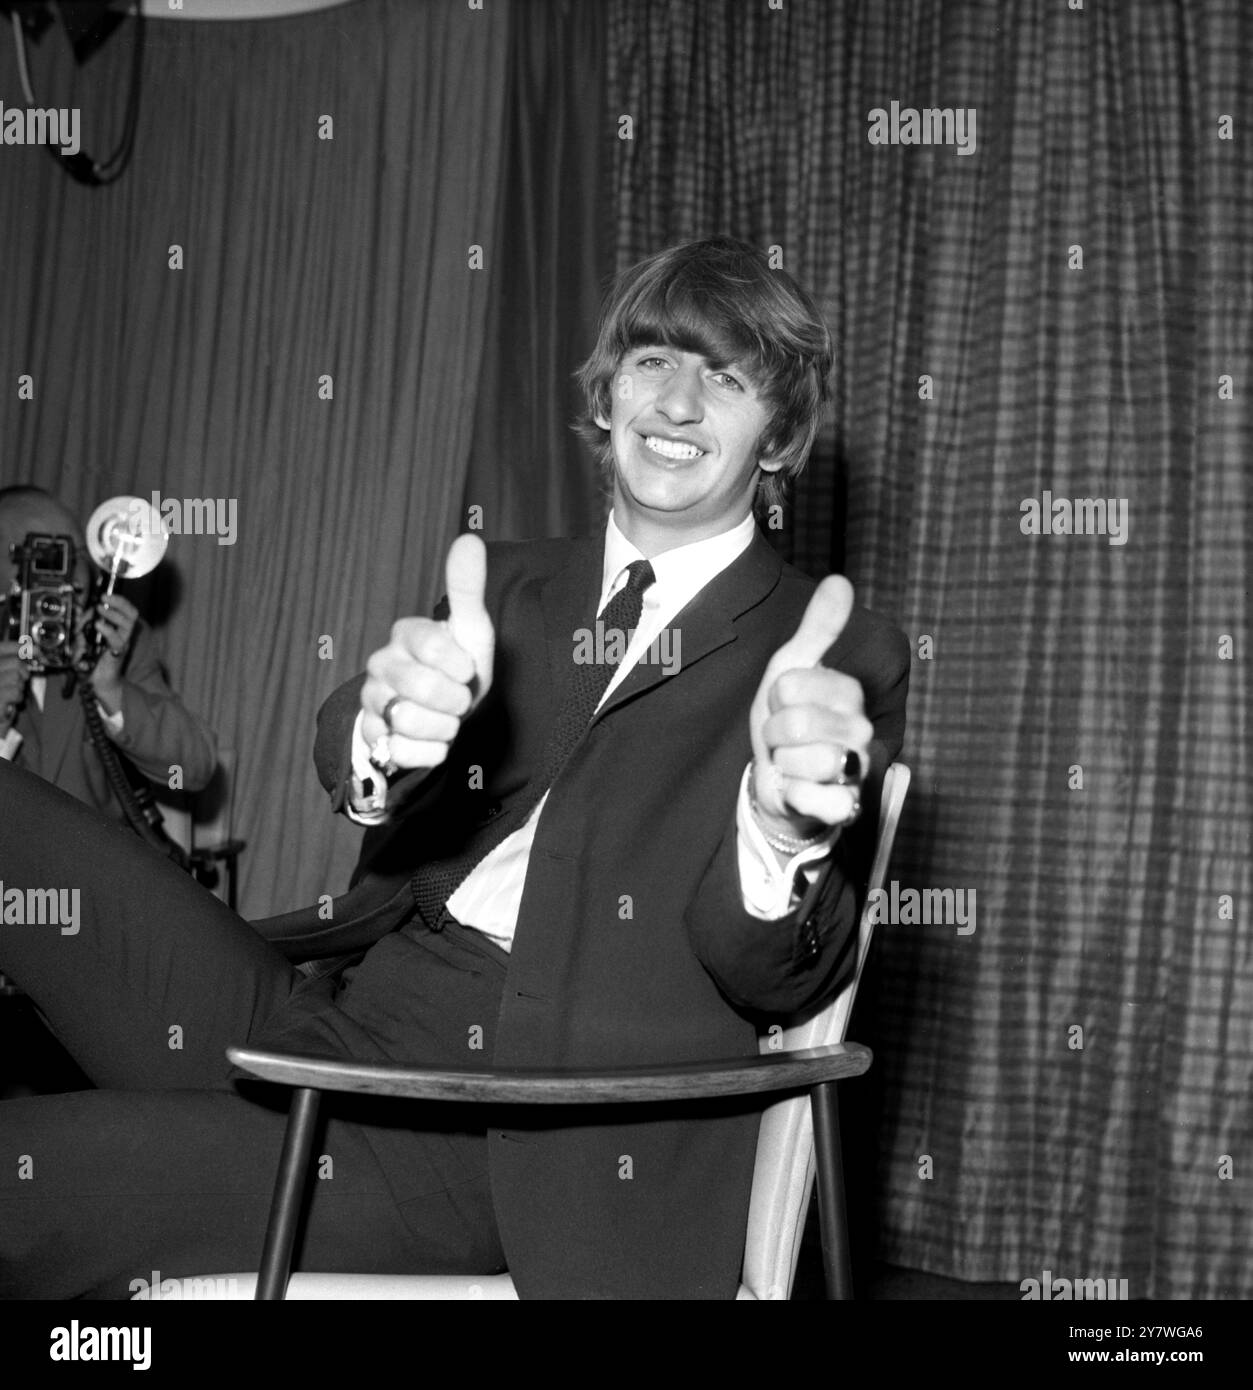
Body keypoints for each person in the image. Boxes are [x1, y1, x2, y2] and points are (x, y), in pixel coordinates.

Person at [0, 237, 909, 1299]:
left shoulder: (824, 645)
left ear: (779, 434)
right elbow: (358, 741)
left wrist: (778, 829)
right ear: (606, 396)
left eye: (728, 376)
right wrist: (381, 735)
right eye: (654, 360)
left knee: (28, 1171)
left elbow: (776, 972)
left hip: (509, 1134)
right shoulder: (512, 581)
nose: (677, 402)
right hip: (338, 1011)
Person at [0, 485, 218, 815]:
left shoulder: (114, 641)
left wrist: (110, 690)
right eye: (45, 557)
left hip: (90, 860)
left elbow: (194, 767)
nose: (68, 576)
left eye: (77, 556)